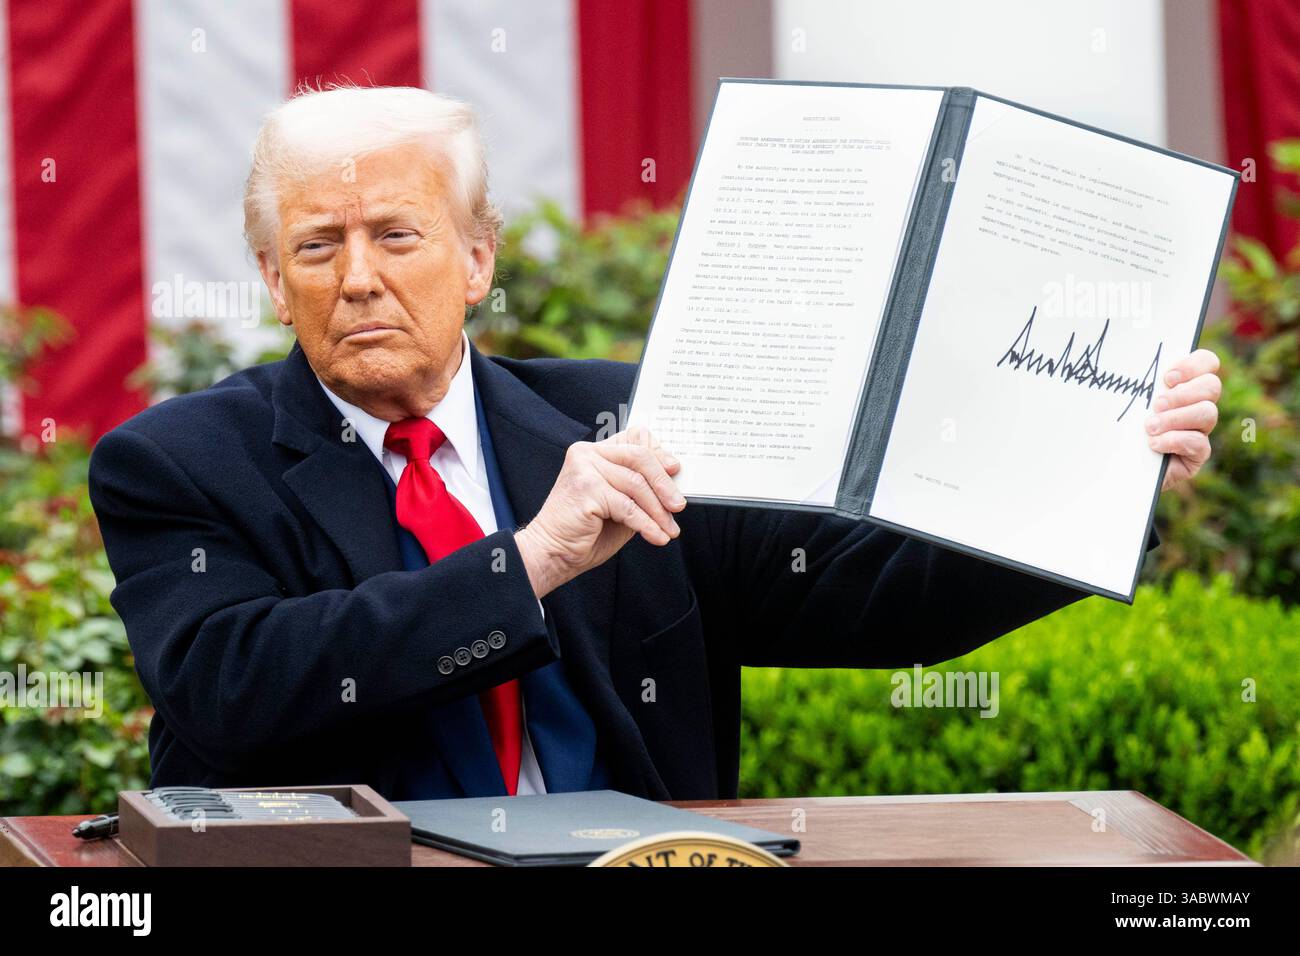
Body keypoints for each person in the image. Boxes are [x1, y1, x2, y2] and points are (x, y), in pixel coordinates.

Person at [88, 86, 1223, 800]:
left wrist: (1104, 478)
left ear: (478, 258)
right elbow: (229, 684)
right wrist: (530, 561)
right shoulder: (178, 462)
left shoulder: (628, 420)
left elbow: (870, 602)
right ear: (274, 283)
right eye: (318, 246)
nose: (362, 277)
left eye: (396, 234)